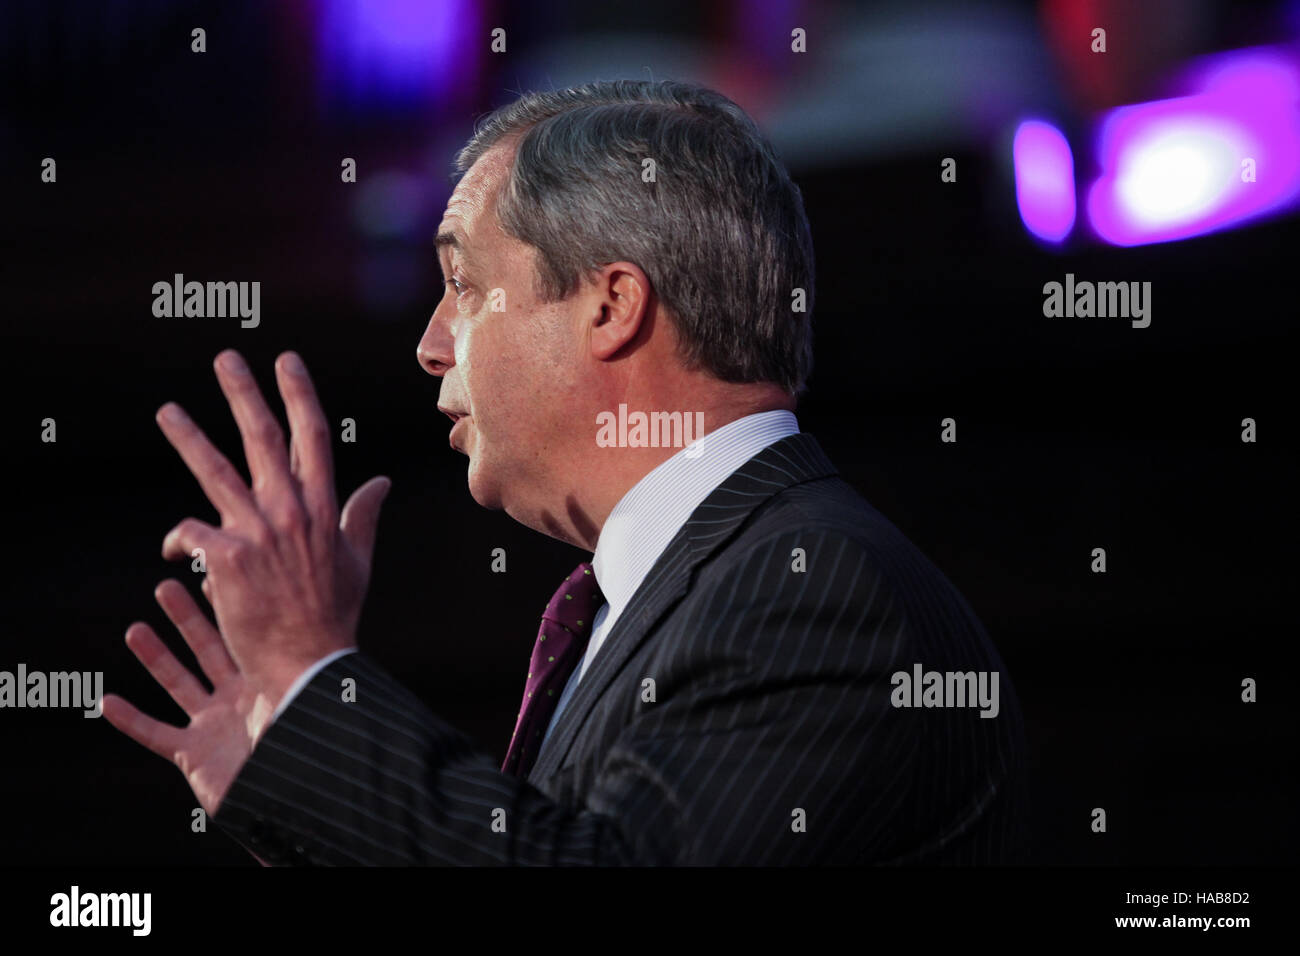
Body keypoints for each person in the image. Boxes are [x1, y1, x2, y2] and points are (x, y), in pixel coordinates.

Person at [103, 79, 1029, 865]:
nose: (430, 346)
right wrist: (302, 797)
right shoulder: (683, 594)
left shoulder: (815, 588)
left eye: (463, 285)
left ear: (612, 305)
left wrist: (314, 679)